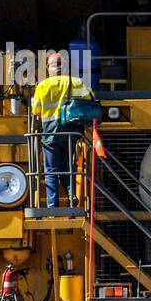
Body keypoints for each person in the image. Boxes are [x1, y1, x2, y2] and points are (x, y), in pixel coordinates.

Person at [31, 51, 94, 208]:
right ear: (65, 67)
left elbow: (36, 111)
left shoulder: (42, 86)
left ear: (49, 68)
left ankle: (53, 206)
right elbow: (91, 100)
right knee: (68, 169)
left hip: (50, 135)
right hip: (71, 134)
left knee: (51, 171)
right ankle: (71, 197)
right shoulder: (77, 83)